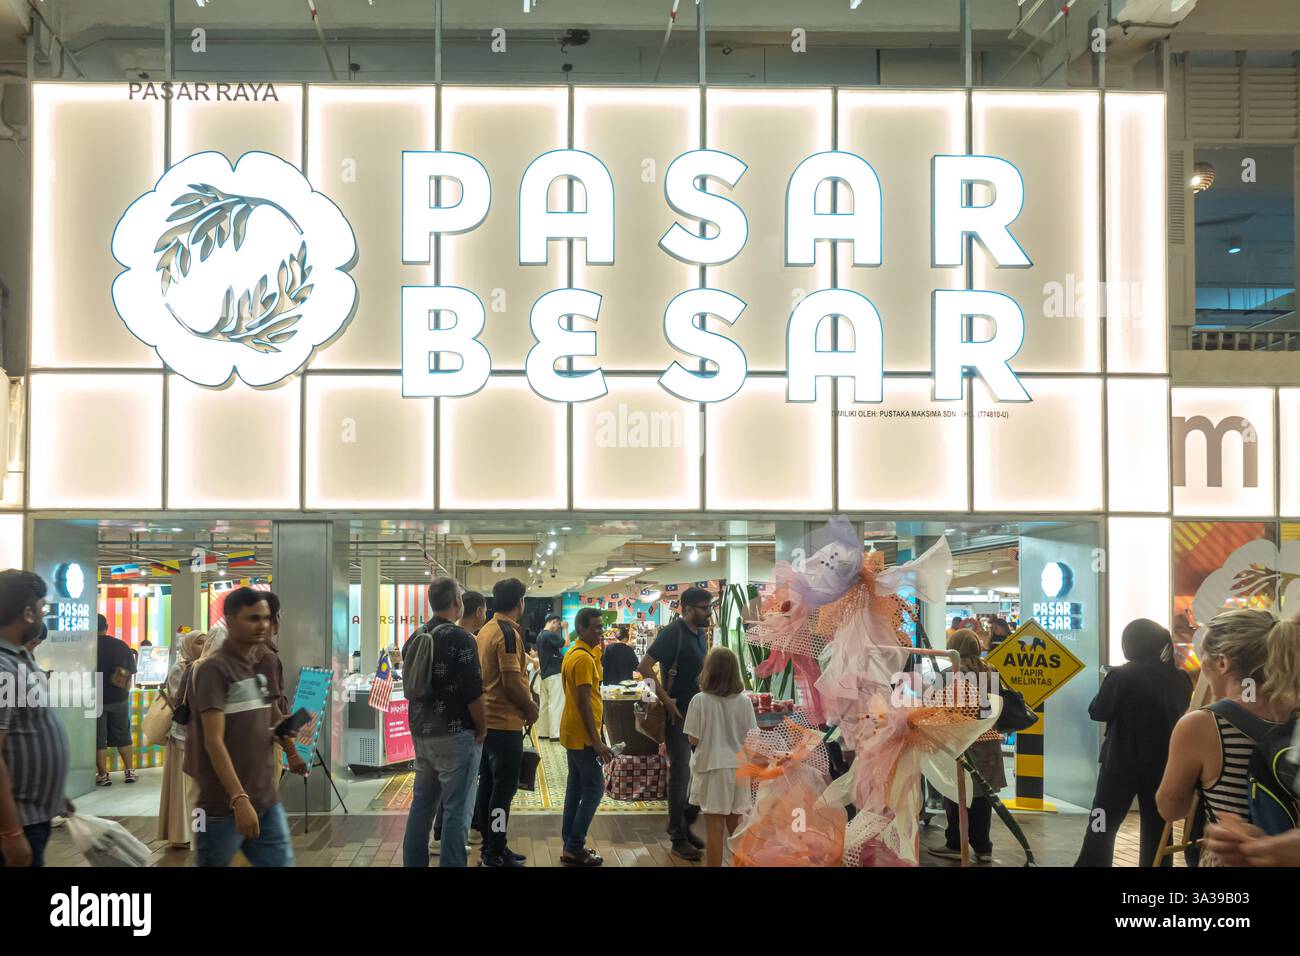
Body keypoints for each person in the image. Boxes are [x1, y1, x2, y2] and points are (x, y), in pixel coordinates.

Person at [1157, 609, 1300, 866]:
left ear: (1222, 662)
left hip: (1235, 858)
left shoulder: (1202, 724)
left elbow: (1171, 808)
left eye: (1204, 659)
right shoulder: (1296, 715)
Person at [185, 587, 307, 867]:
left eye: (265, 617)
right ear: (229, 621)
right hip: (221, 806)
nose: (262, 624)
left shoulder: (255, 665)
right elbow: (213, 741)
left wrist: (289, 747)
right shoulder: (214, 670)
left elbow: (264, 722)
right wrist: (238, 799)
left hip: (265, 798)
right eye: (252, 618)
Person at [1074, 619, 1192, 868]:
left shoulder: (1121, 675)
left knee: (1102, 822)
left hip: (1119, 763)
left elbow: (1098, 711)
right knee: (1157, 827)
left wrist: (1107, 680)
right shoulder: (1180, 678)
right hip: (1162, 763)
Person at [402, 577, 486, 868]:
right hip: (455, 734)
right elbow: (473, 690)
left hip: (422, 734)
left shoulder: (416, 636)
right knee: (455, 810)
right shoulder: (462, 638)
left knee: (422, 807)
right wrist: (482, 727)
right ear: (457, 603)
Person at [0, 571, 69, 867]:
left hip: (33, 817)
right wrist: (11, 832)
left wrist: (54, 795)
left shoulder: (19, 659)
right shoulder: (4, 667)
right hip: (17, 822)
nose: (43, 616)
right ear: (28, 613)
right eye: (41, 609)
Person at [639, 586, 713, 860]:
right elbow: (644, 667)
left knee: (698, 771)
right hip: (678, 714)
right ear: (689, 609)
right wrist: (666, 699)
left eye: (710, 606)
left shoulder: (701, 634)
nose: (709, 612)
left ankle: (685, 822)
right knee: (681, 773)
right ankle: (677, 834)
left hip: (699, 713)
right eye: (705, 607)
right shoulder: (673, 633)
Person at [924, 630, 1008, 863]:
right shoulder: (991, 671)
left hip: (961, 742)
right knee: (983, 797)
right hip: (989, 741)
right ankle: (983, 847)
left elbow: (936, 707)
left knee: (957, 793)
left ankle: (955, 843)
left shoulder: (950, 673)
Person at [473, 577, 538, 867]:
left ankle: (491, 846)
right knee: (504, 791)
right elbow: (512, 682)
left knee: (488, 785)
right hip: (505, 722)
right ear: (519, 602)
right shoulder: (508, 634)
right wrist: (530, 707)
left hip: (486, 723)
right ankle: (495, 849)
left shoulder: (485, 630)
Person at [682, 646, 757, 867]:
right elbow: (752, 738)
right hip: (739, 770)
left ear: (709, 671)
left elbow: (692, 739)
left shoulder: (700, 700)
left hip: (712, 769)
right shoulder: (744, 701)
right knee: (736, 829)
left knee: (714, 830)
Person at [559, 606, 614, 866]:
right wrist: (597, 741)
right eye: (595, 627)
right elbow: (583, 703)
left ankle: (569, 842)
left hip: (574, 732)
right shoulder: (581, 658)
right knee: (594, 788)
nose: (600, 631)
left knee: (576, 787)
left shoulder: (578, 653)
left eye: (601, 626)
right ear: (581, 628)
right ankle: (575, 845)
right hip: (583, 736)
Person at [157, 630, 206, 849]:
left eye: (206, 642)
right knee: (182, 786)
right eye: (198, 642)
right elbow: (183, 701)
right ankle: (180, 833)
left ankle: (196, 833)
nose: (203, 646)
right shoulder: (180, 669)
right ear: (187, 646)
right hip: (181, 736)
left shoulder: (205, 667)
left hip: (197, 736)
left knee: (195, 788)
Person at [95, 613, 137, 786]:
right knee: (123, 736)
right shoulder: (120, 645)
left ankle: (103, 775)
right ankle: (129, 771)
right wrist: (125, 694)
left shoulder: (86, 646)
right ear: (107, 626)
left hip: (95, 699)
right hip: (118, 698)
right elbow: (131, 673)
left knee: (99, 739)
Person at [536, 615, 566, 740]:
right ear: (553, 622)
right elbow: (566, 643)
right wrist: (565, 629)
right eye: (558, 624)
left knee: (544, 704)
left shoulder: (540, 635)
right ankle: (555, 734)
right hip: (554, 673)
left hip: (544, 674)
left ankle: (543, 732)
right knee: (556, 704)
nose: (558, 627)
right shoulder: (549, 635)